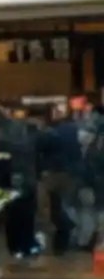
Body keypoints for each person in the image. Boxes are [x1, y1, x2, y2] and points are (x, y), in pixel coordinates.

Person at [36, 103, 83, 254]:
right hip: (71, 173)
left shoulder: (50, 132)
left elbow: (41, 149)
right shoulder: (74, 130)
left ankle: (62, 233)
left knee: (47, 208)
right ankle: (65, 239)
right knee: (64, 206)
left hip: (52, 173)